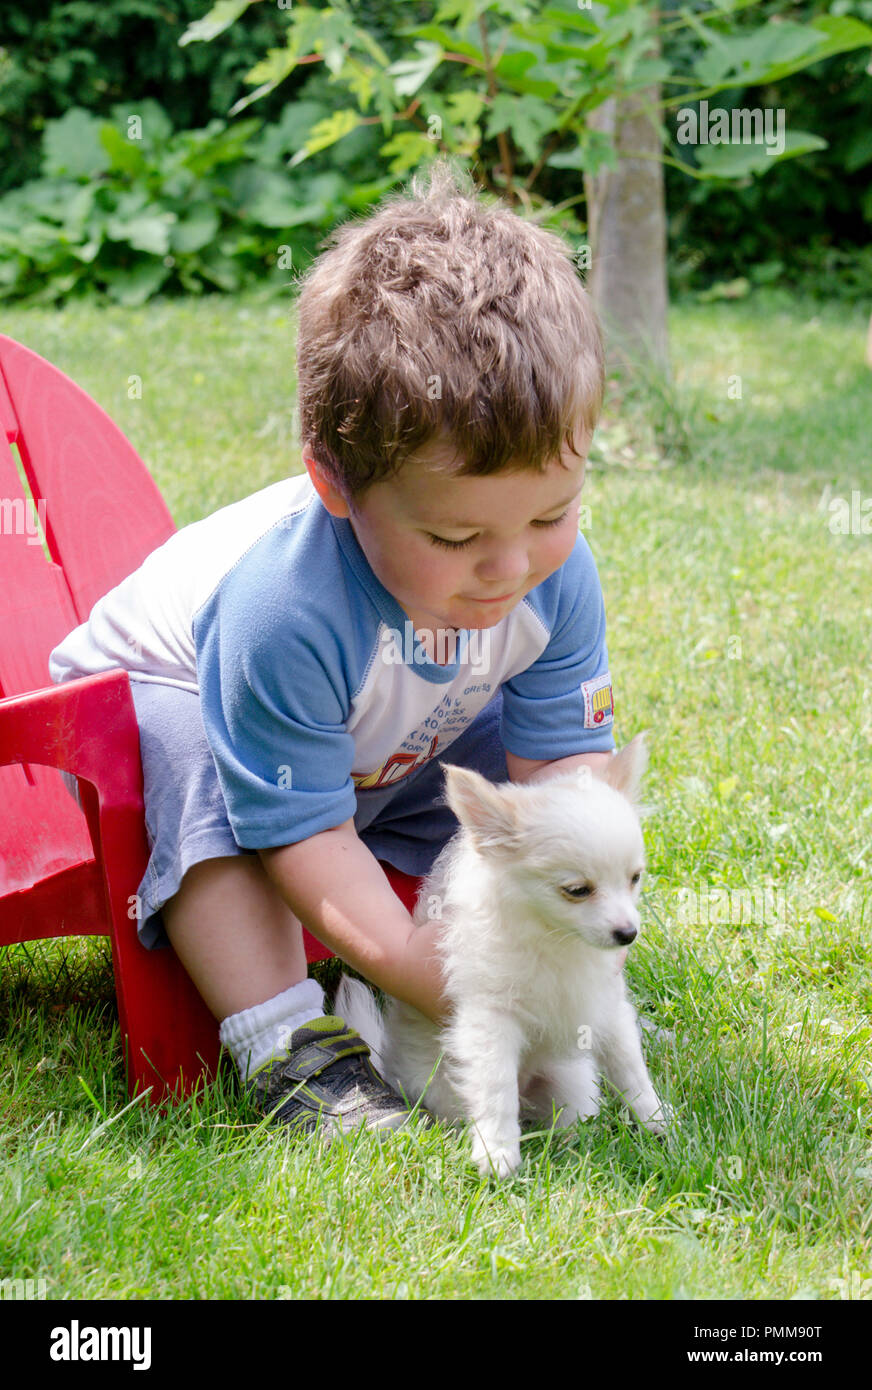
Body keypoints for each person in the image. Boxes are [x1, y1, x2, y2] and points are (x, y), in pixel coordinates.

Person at [48, 158, 617, 1136]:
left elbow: (567, 770)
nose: (509, 565)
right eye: (453, 537)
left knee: (520, 787)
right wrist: (419, 971)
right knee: (200, 775)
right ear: (334, 485)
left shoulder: (551, 578)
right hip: (155, 717)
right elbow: (300, 832)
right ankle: (290, 1046)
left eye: (552, 513)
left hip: (371, 745)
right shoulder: (283, 608)